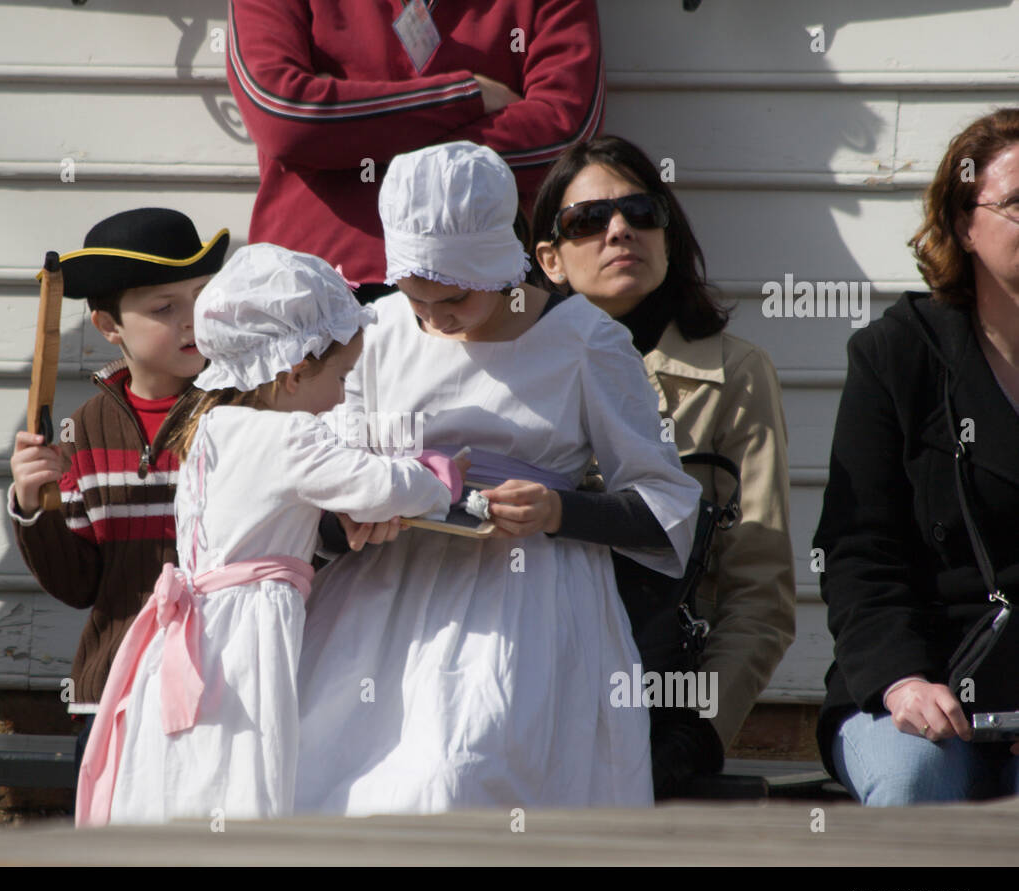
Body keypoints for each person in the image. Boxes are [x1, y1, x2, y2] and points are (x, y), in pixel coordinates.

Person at [295, 142, 702, 814]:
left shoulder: (585, 342)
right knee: (337, 779)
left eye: (453, 297)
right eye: (416, 297)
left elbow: (665, 501)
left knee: (461, 774)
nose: (434, 317)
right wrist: (357, 507)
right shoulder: (377, 332)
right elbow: (334, 467)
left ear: (499, 262)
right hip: (385, 598)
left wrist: (559, 510)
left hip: (526, 601)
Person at [75, 243, 463, 826]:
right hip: (246, 633)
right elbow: (378, 486)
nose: (341, 394)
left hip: (196, 626)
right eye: (341, 375)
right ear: (293, 371)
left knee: (198, 769)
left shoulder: (210, 427)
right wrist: (436, 479)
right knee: (248, 762)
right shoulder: (290, 439)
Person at [530, 135, 795, 797]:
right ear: (550, 259)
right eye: (588, 221)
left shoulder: (734, 374)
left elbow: (759, 591)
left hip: (658, 698)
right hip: (525, 688)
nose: (620, 230)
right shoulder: (511, 369)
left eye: (642, 212)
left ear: (668, 236)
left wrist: (698, 729)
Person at [813, 107, 1019, 805]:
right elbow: (857, 547)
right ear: (964, 224)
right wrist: (903, 680)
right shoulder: (897, 355)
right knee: (916, 784)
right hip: (916, 681)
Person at [8, 208, 229, 779]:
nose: (192, 321)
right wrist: (35, 507)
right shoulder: (79, 432)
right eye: (164, 308)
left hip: (225, 685)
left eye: (201, 297)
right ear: (109, 326)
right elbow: (79, 585)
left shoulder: (240, 410)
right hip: (116, 693)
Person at [225, 0, 604, 301]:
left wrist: (343, 129)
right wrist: (468, 95)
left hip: (482, 296)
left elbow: (563, 139)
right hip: (313, 295)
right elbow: (286, 119)